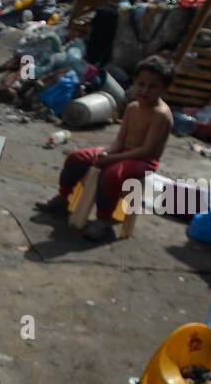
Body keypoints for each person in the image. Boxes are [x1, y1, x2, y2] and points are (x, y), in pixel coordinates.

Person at [38, 54, 176, 243]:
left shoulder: (161, 114)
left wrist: (111, 159)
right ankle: (63, 198)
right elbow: (119, 141)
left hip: (144, 160)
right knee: (76, 157)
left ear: (165, 89)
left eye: (153, 86)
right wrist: (106, 153)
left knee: (111, 174)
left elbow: (147, 150)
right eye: (141, 84)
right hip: (123, 152)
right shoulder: (133, 107)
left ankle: (103, 220)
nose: (144, 90)